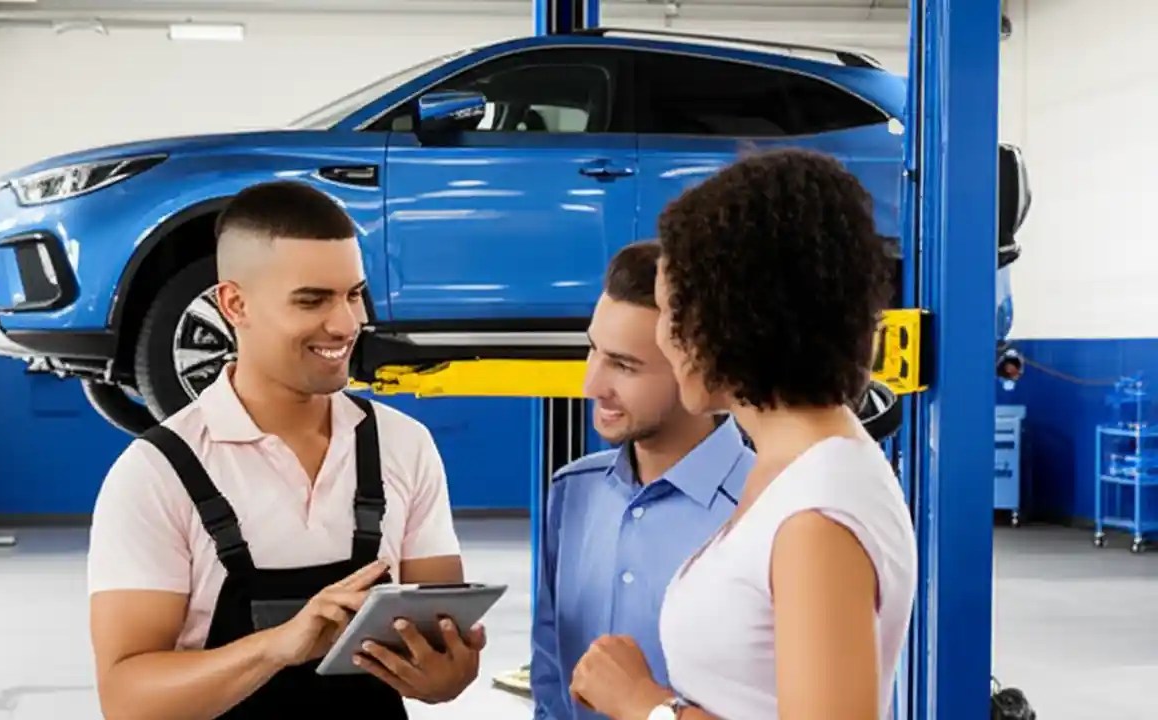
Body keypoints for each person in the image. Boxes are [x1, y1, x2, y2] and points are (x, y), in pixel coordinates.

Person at [86, 180, 484, 720]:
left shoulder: (404, 445)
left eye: (353, 294)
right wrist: (279, 645)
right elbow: (127, 700)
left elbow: (442, 654)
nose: (345, 323)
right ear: (234, 304)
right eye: (312, 300)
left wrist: (447, 676)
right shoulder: (157, 474)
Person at [567, 149, 919, 720]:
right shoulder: (791, 470)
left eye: (669, 311)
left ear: (730, 314)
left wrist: (644, 705)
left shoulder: (817, 515)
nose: (665, 337)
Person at [530, 241, 755, 720]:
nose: (591, 385)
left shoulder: (767, 509)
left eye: (624, 365)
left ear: (697, 368)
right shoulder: (573, 493)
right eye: (593, 350)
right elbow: (551, 685)